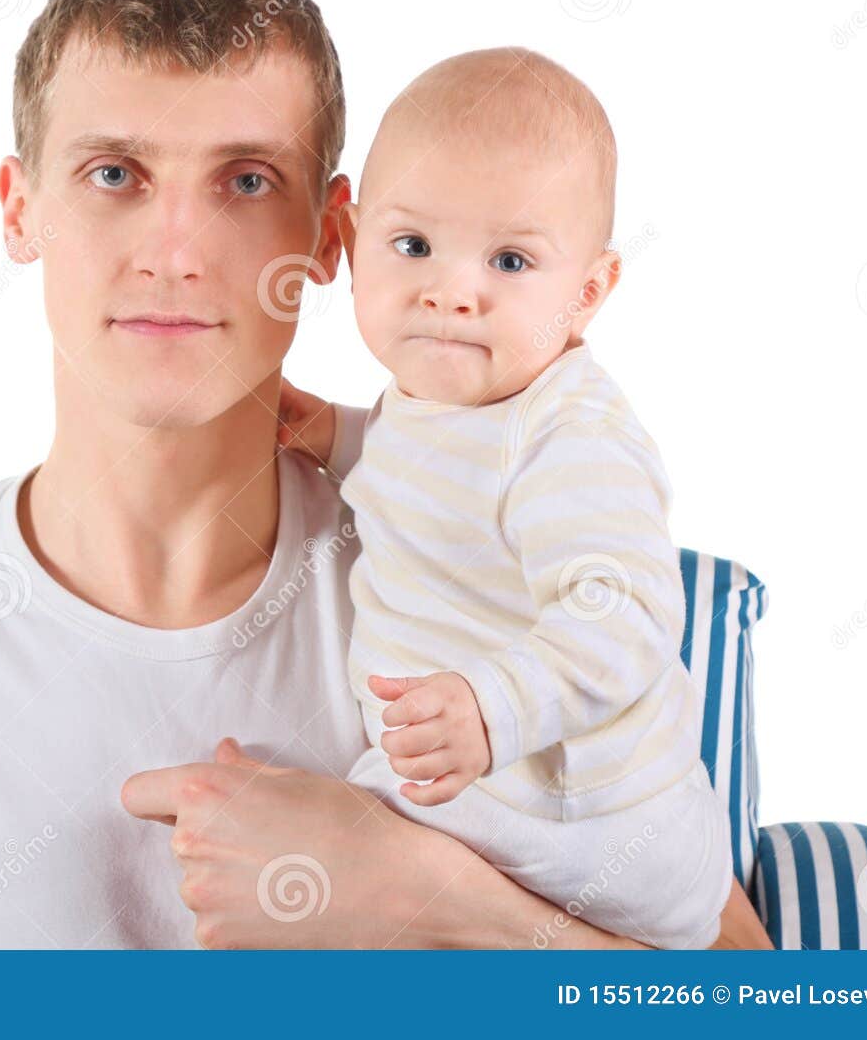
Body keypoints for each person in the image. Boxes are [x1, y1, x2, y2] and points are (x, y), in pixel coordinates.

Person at [0, 0, 770, 950]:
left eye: (246, 180)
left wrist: (418, 895)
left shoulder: (469, 567)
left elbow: (762, 1004)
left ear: (325, 234)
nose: (177, 250)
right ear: (21, 210)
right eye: (113, 173)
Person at [275, 48, 732, 948]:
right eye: (412, 246)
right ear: (351, 237)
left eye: (511, 260)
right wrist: (332, 433)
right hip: (516, 798)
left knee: (318, 855)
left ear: (588, 292)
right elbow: (439, 480)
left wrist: (493, 708)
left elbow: (626, 613)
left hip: (583, 819)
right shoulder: (456, 398)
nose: (452, 292)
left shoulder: (571, 438)